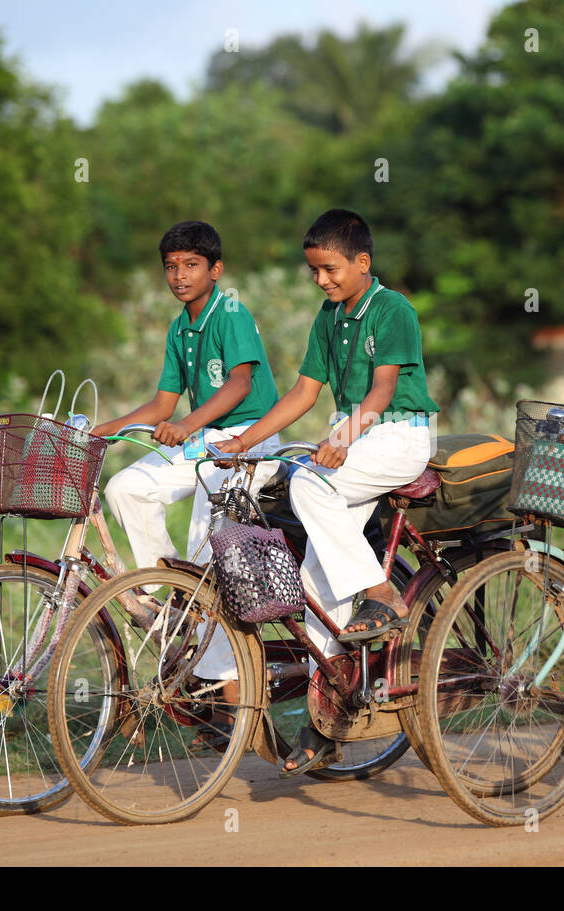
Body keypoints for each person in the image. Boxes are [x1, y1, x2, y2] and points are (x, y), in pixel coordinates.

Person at [215, 208, 440, 776]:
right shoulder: (328, 316)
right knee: (315, 585)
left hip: (398, 434)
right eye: (315, 271)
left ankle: (381, 592)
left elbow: (385, 389)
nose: (322, 280)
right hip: (357, 435)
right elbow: (302, 393)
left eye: (331, 270)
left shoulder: (394, 309)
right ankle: (328, 725)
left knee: (307, 487)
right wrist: (247, 440)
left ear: (363, 262)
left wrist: (342, 435)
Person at [93, 220, 282, 748]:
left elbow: (241, 383)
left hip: (249, 438)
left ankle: (222, 681)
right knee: (124, 489)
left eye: (191, 265)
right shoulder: (180, 327)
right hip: (205, 440)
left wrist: (190, 426)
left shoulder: (231, 313)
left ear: (215, 270)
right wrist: (102, 431)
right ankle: (170, 600)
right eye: (171, 266)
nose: (179, 275)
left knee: (206, 533)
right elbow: (161, 406)